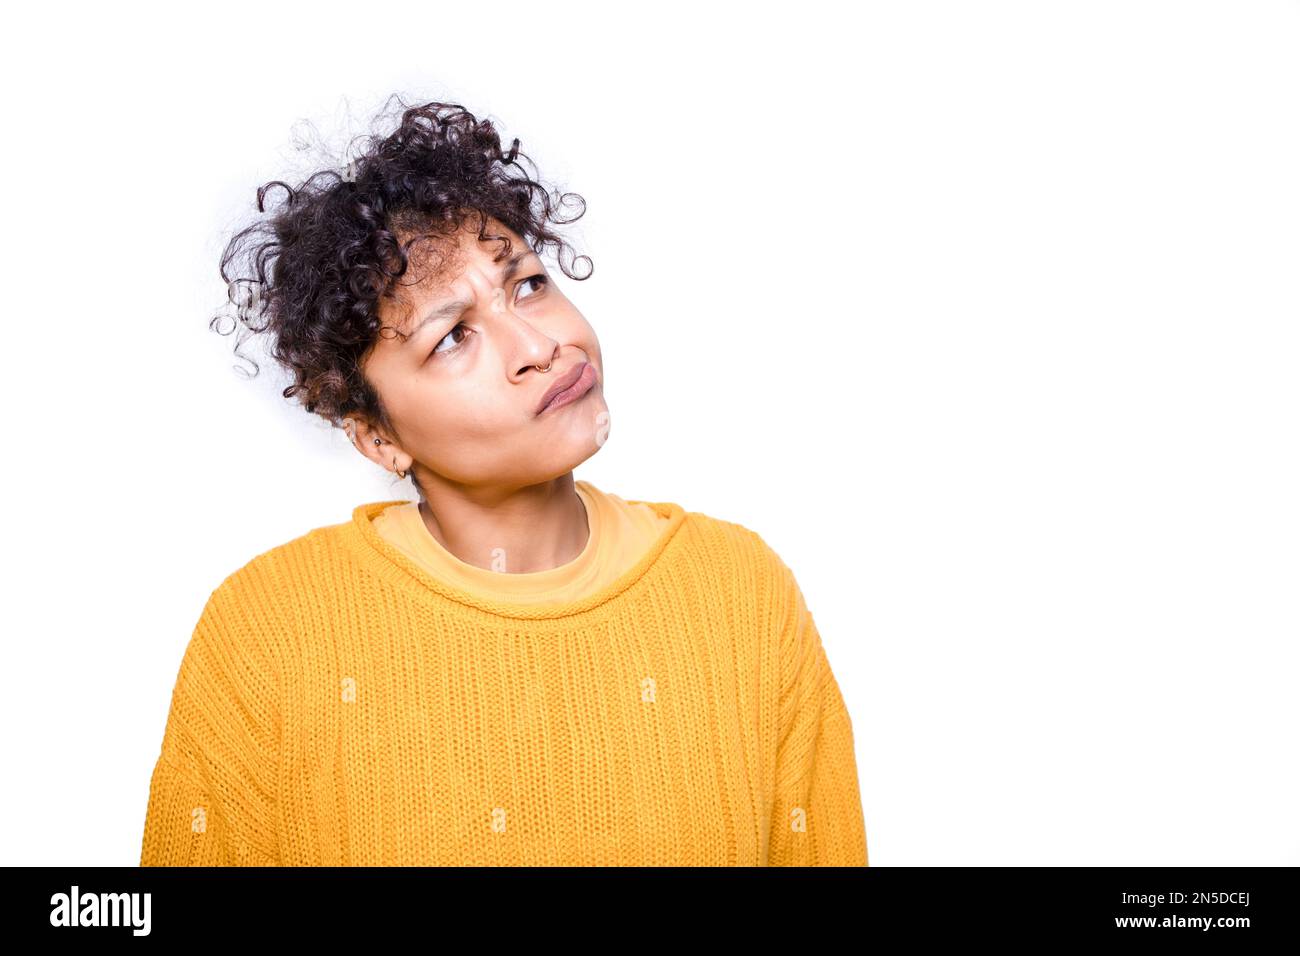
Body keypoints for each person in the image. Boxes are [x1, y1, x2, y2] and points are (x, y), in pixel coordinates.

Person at [139, 95, 868, 866]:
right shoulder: (268, 631)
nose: (538, 345)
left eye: (527, 284)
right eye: (453, 337)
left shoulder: (739, 593)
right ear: (377, 438)